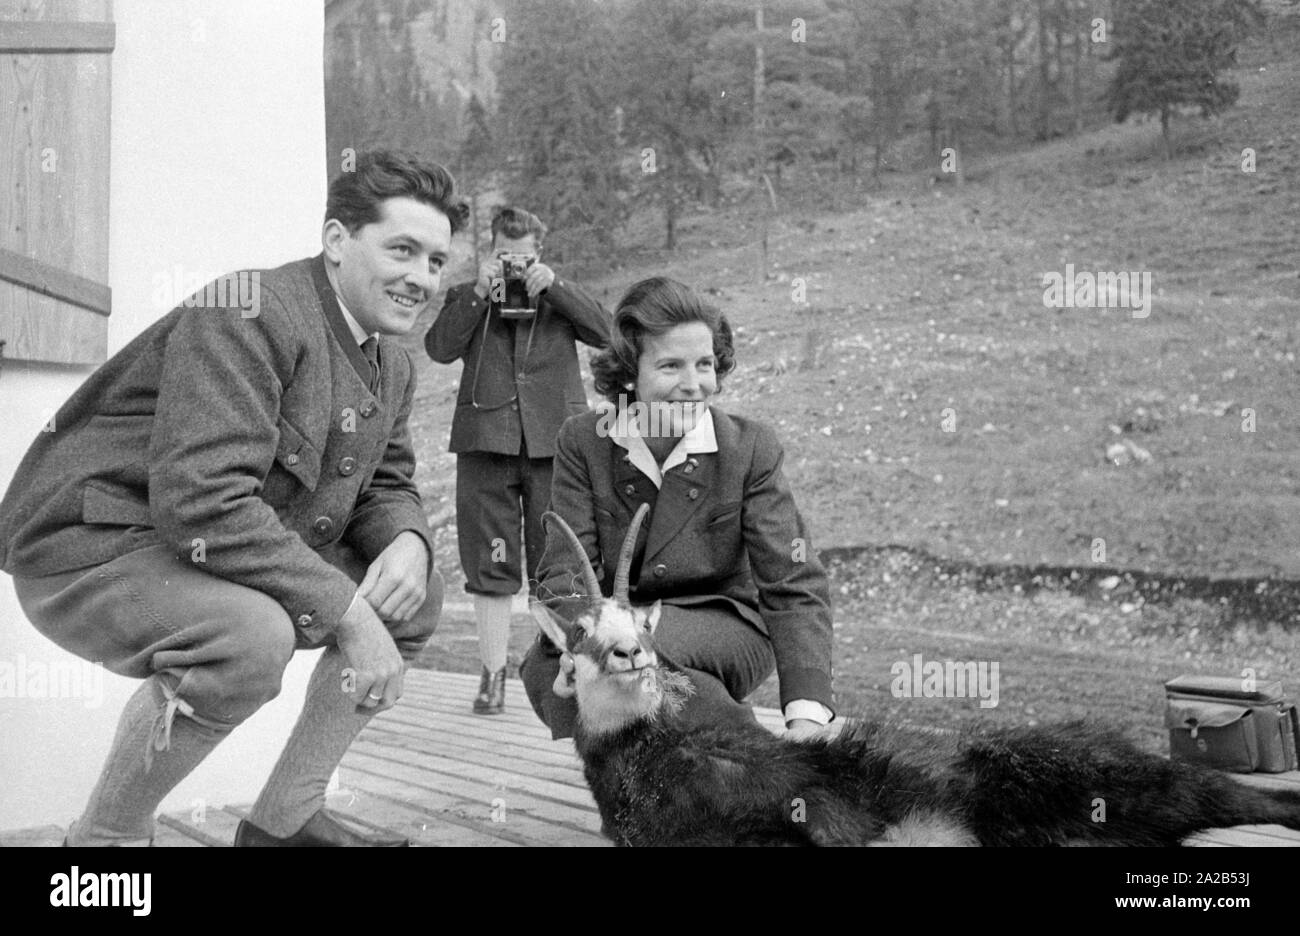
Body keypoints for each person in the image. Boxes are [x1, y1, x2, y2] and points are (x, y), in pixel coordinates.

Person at [0, 150, 466, 847]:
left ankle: (287, 825)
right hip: (91, 546)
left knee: (411, 590)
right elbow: (203, 500)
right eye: (403, 250)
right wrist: (345, 612)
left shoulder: (390, 361)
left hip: (188, 542)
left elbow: (387, 483)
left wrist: (407, 540)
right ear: (337, 240)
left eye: (435, 261)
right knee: (250, 638)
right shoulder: (251, 310)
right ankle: (103, 846)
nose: (421, 278)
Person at [520, 277, 835, 740]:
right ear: (630, 372)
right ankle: (693, 751)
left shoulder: (750, 448)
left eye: (704, 364)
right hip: (619, 619)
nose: (694, 385)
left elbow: (794, 584)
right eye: (671, 366)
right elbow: (566, 568)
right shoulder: (584, 441)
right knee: (548, 667)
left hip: (729, 625)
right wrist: (576, 645)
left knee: (643, 650)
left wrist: (807, 715)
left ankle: (746, 767)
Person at [425, 207, 609, 715]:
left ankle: (565, 673)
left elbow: (606, 334)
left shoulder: (559, 297)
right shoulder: (469, 296)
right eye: (506, 254)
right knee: (490, 562)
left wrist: (555, 288)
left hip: (555, 445)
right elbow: (438, 348)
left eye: (524, 255)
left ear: (540, 252)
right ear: (490, 250)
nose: (515, 265)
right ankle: (492, 675)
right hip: (487, 442)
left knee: (559, 559)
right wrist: (480, 293)